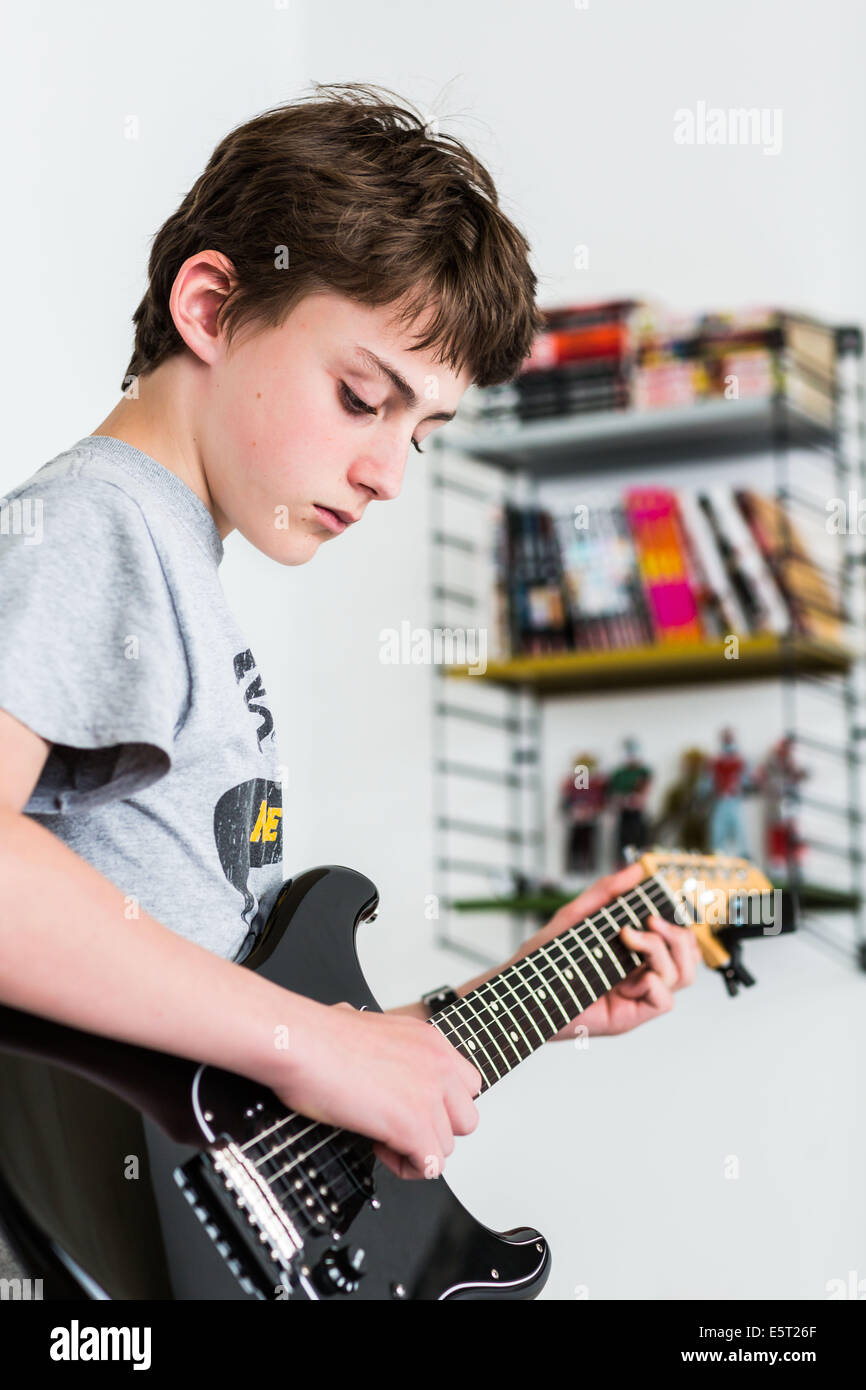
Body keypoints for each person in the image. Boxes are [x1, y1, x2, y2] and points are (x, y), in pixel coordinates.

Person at [0, 83, 698, 1285]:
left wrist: (520, 998)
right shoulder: (96, 529)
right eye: (362, 398)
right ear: (211, 306)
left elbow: (217, 1043)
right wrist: (306, 1041)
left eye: (420, 434)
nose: (385, 472)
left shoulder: (173, 566)